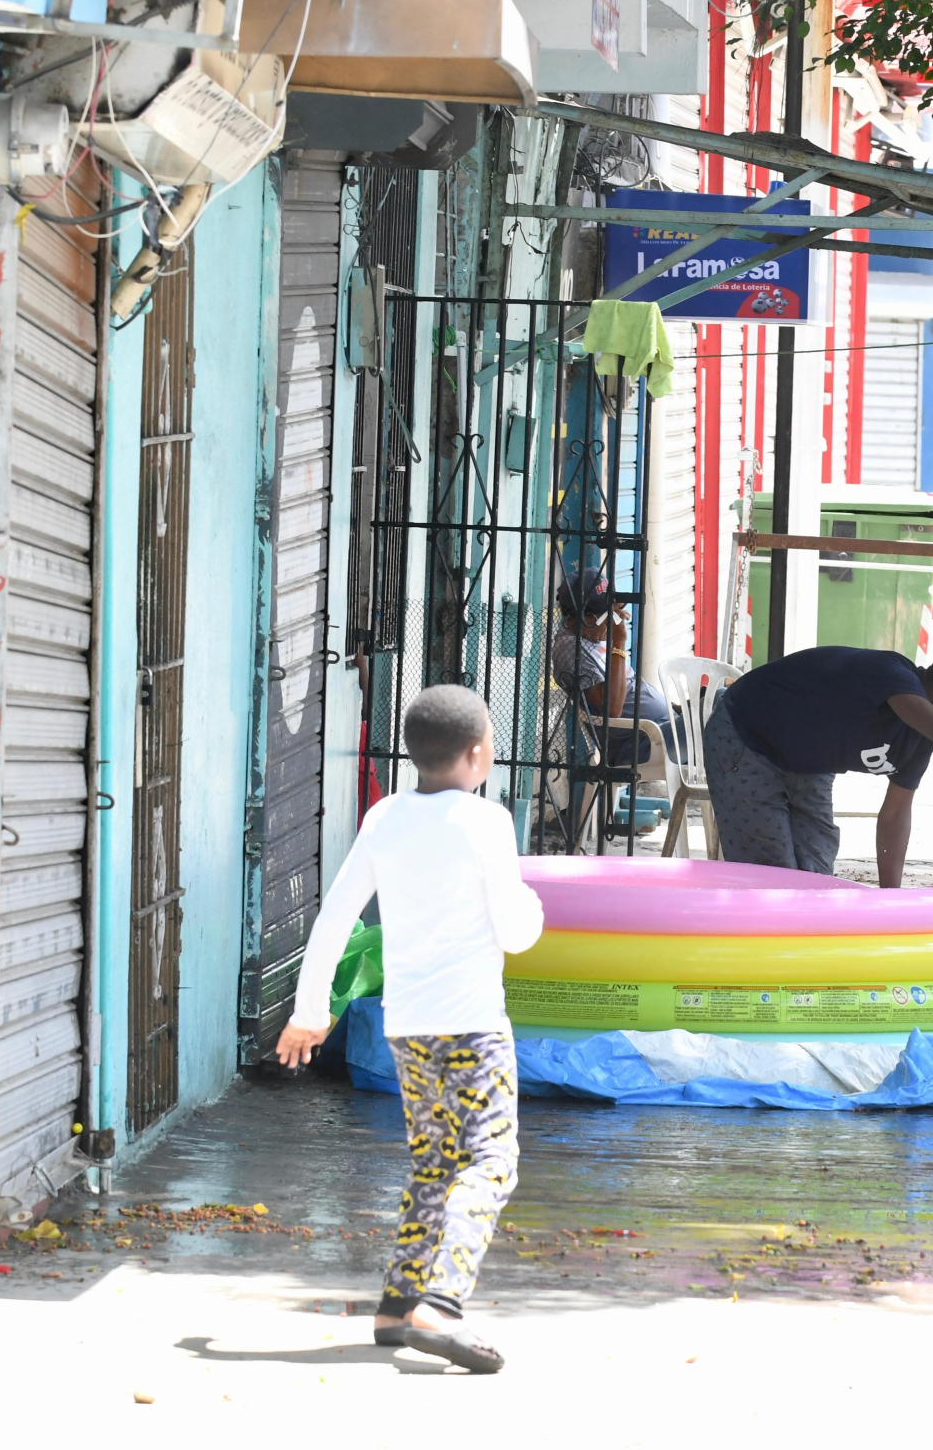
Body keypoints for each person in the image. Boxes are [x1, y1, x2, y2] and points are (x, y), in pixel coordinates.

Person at [276, 685, 543, 1374]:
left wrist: (311, 1011)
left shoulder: (384, 818)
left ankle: (397, 1307)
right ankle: (441, 1305)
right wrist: (532, 905)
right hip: (475, 1027)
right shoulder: (486, 823)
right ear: (479, 752)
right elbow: (515, 934)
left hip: (409, 1029)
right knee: (489, 1162)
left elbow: (336, 918)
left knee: (433, 1162)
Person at [703, 643, 933, 887]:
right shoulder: (889, 674)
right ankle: (765, 965)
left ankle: (805, 960)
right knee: (771, 871)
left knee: (816, 871)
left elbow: (895, 813)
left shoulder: (921, 738)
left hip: (808, 762)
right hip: (747, 736)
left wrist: (890, 897)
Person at [549, 566, 680, 758]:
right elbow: (612, 708)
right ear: (588, 618)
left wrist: (677, 708)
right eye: (609, 613)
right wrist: (618, 643)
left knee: (719, 699)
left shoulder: (594, 635)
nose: (618, 618)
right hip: (640, 742)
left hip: (662, 725)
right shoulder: (571, 649)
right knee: (717, 719)